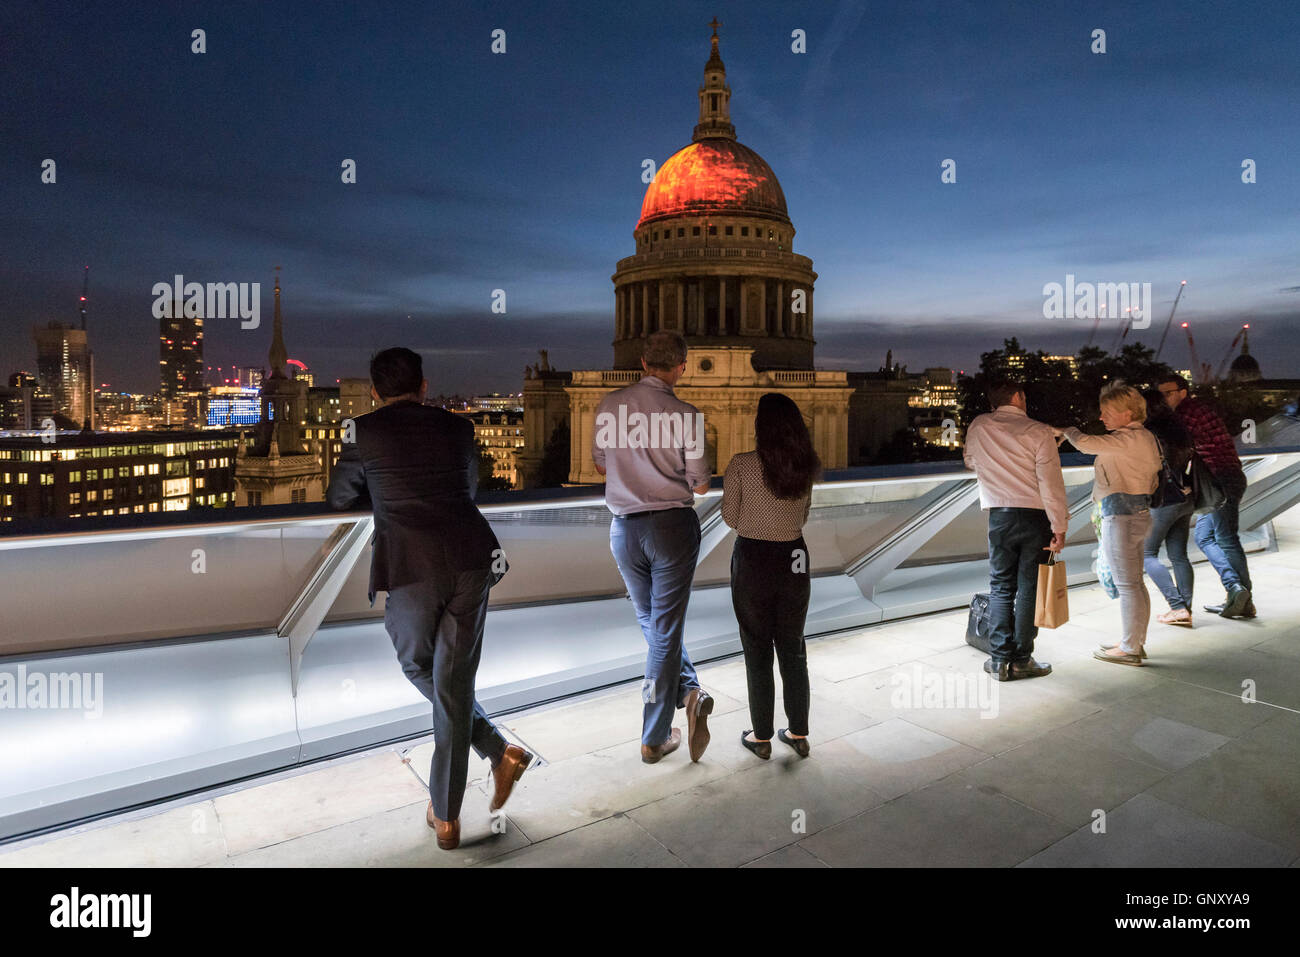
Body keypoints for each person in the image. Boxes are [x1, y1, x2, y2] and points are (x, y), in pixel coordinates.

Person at [327, 347, 531, 850]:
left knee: (421, 667)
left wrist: (386, 490)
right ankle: (487, 764)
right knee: (452, 681)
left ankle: (451, 812)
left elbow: (339, 497)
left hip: (412, 568)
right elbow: (467, 491)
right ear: (424, 386)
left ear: (375, 392)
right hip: (471, 557)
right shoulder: (458, 429)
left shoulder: (363, 432)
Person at [592, 331, 714, 764]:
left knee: (651, 619)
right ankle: (655, 735)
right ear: (681, 366)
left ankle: (689, 691)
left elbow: (600, 464)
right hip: (671, 528)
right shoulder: (688, 415)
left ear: (643, 362)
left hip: (623, 529)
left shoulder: (609, 406)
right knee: (663, 627)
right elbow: (700, 484)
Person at [722, 393, 820, 760]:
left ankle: (761, 737)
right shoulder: (805, 466)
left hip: (753, 557)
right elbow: (805, 513)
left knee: (757, 648)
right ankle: (798, 733)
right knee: (793, 648)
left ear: (760, 427)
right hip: (794, 556)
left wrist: (757, 521)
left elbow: (730, 517)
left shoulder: (742, 465)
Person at [963, 379, 1068, 681]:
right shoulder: (1039, 431)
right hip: (1035, 518)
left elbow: (971, 461)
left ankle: (998, 660)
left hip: (999, 515)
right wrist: (1059, 527)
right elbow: (1050, 483)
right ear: (1019, 397)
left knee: (1000, 586)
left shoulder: (979, 425)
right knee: (1028, 589)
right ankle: (1022, 659)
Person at [1057, 382, 1161, 666]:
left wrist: (1067, 431)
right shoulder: (1143, 437)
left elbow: (1086, 443)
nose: (1102, 418)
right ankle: (1134, 642)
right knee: (1135, 583)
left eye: (1107, 412)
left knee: (1128, 585)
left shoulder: (1128, 439)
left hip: (1122, 517)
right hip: (1138, 514)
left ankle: (1129, 648)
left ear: (1127, 413)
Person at [1158, 374, 1254, 619]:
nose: (1164, 398)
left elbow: (1179, 449)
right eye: (1161, 394)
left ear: (1182, 391)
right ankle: (1238, 595)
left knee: (1225, 538)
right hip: (1226, 477)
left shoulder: (1185, 415)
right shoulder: (1200, 408)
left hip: (1218, 481)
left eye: (1168, 392)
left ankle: (1240, 594)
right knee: (1206, 537)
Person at [1141, 388, 1195, 626]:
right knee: (1179, 556)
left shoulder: (1150, 433)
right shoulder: (1178, 426)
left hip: (1164, 500)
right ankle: (1184, 610)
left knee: (1146, 554)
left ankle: (1176, 606)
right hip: (1186, 497)